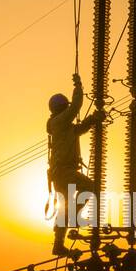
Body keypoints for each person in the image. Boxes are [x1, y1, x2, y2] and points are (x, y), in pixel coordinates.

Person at [47, 73, 103, 256]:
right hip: (64, 171)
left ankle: (58, 244)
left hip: (60, 173)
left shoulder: (63, 126)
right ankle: (74, 216)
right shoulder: (59, 121)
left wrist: (93, 119)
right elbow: (77, 105)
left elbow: (79, 129)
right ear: (62, 109)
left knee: (65, 206)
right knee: (90, 187)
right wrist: (78, 85)